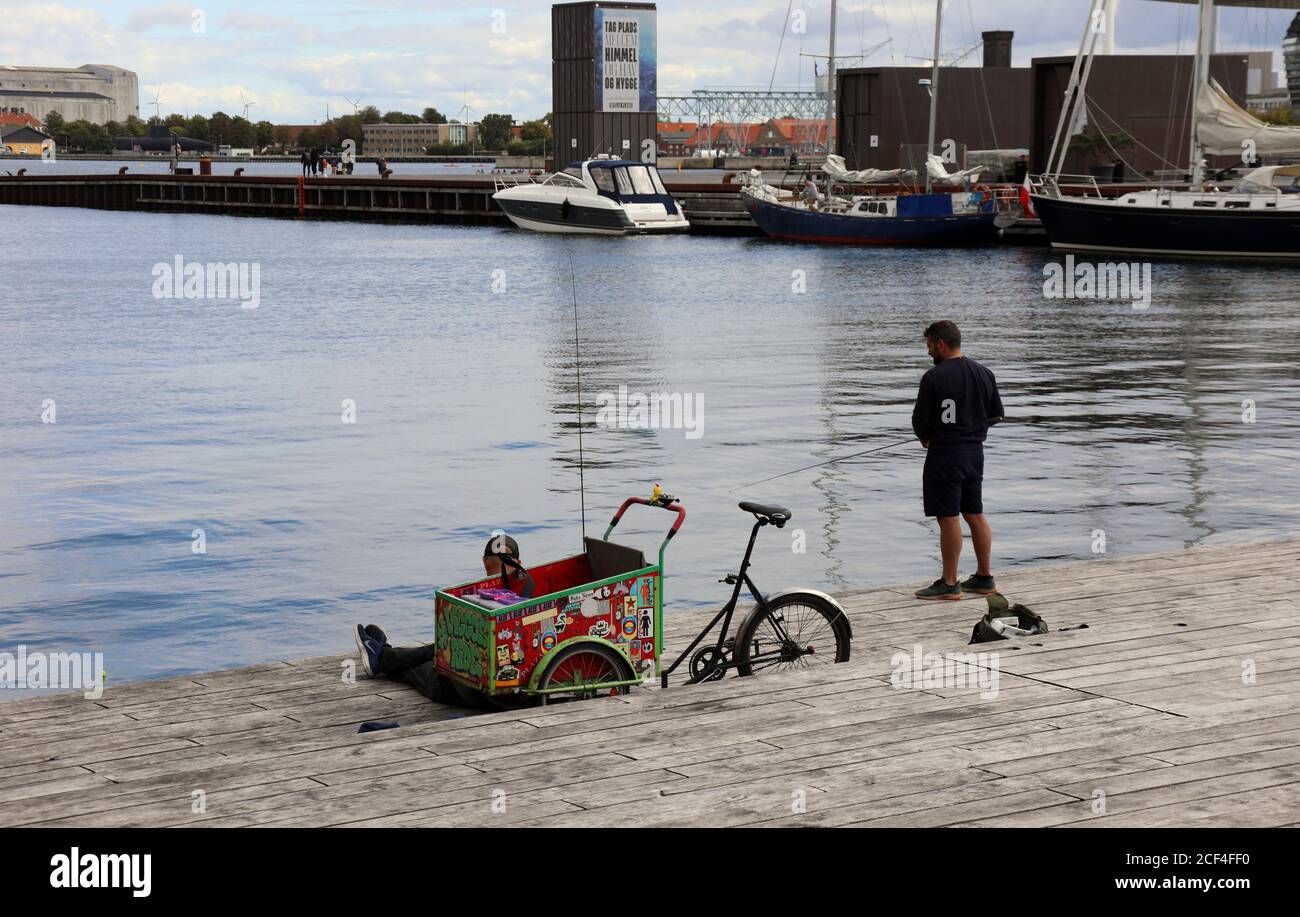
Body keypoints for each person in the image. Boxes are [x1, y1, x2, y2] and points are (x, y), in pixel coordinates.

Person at [353, 533, 535, 703]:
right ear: (519, 562)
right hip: (524, 690)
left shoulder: (484, 599)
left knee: (424, 663)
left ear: (485, 562)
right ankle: (383, 655)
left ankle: (381, 658)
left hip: (476, 693)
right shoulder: (529, 586)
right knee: (439, 652)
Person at [910, 320, 1004, 600]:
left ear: (940, 344)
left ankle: (950, 582)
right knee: (974, 512)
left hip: (945, 454)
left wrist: (926, 436)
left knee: (948, 516)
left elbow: (920, 422)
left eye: (929, 346)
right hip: (975, 453)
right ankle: (984, 577)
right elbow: (995, 415)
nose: (928, 352)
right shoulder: (985, 373)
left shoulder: (934, 377)